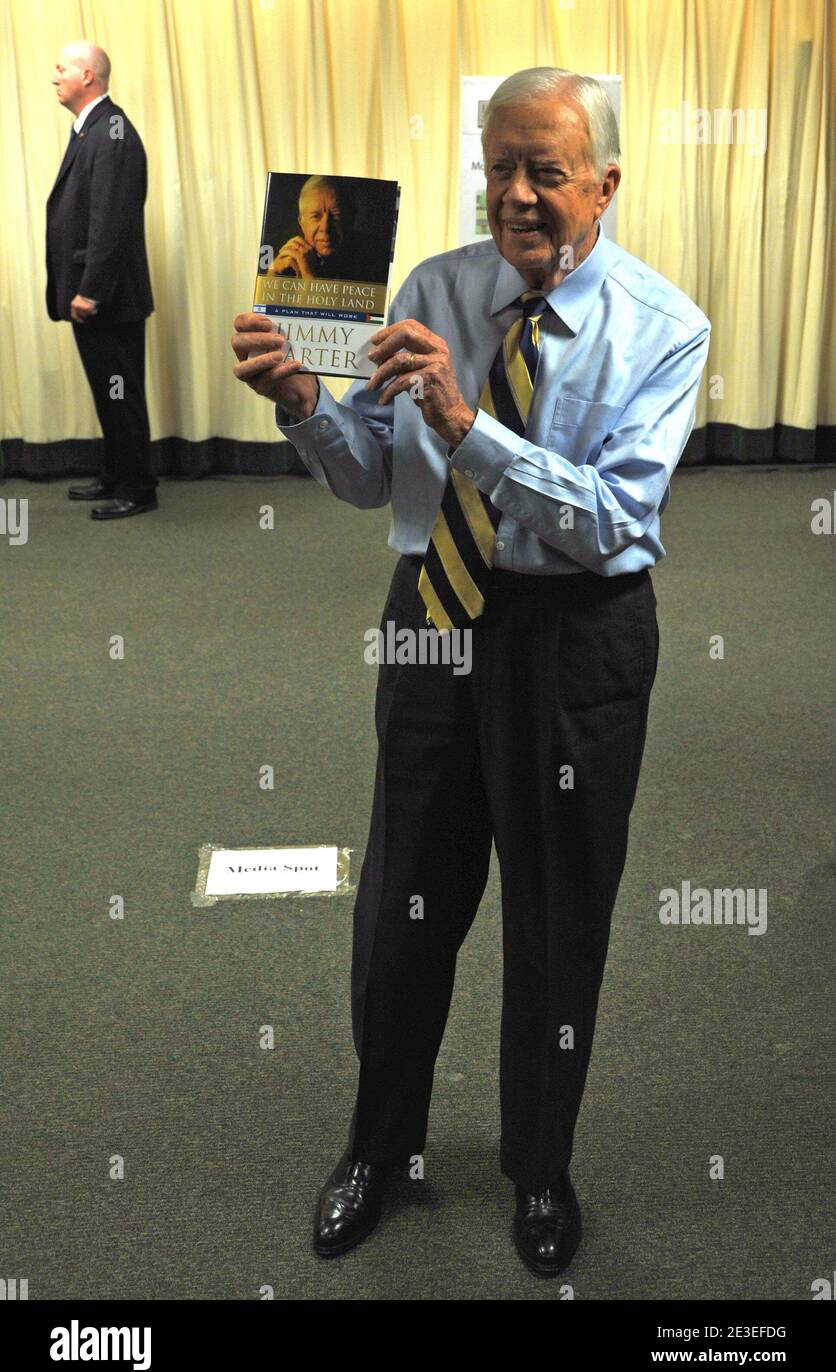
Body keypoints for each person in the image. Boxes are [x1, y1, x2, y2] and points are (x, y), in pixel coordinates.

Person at [232, 66, 710, 1277]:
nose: (513, 193)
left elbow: (611, 518)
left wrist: (467, 426)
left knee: (554, 931)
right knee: (401, 914)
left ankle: (538, 1170)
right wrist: (301, 400)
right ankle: (376, 1149)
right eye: (497, 165)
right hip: (433, 622)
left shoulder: (665, 324)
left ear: (604, 183)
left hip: (573, 643)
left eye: (544, 170)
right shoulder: (433, 284)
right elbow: (367, 476)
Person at [47, 41, 157, 519]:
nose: (54, 76)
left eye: (62, 68)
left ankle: (138, 488)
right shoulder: (90, 129)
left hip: (108, 299)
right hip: (98, 296)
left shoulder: (110, 130)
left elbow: (111, 220)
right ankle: (116, 475)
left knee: (120, 391)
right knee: (107, 391)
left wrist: (90, 290)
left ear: (88, 75)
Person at [267, 176, 385, 284]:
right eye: (315, 216)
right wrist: (270, 277)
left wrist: (309, 277)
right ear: (301, 223)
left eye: (336, 215)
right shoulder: (286, 263)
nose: (325, 228)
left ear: (351, 218)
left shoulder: (376, 259)